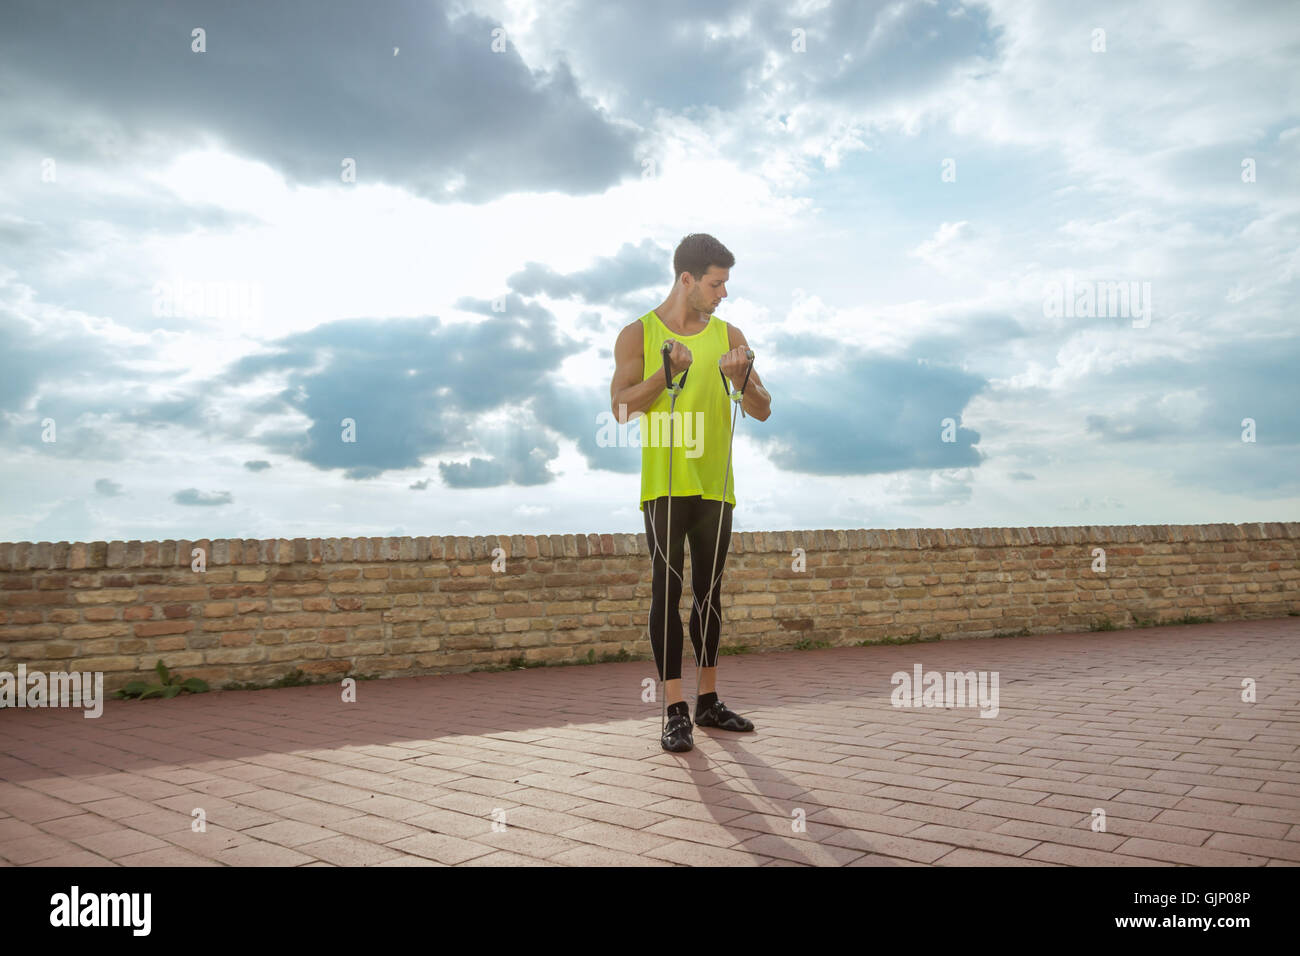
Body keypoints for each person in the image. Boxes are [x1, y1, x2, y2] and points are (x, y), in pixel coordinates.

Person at [608, 233, 772, 752]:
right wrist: (666, 373)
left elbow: (763, 407)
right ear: (687, 279)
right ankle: (673, 709)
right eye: (716, 284)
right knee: (667, 591)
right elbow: (621, 409)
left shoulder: (730, 334)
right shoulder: (639, 333)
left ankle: (708, 701)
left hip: (716, 485)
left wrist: (741, 379)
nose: (723, 293)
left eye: (725, 283)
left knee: (710, 593)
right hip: (665, 484)